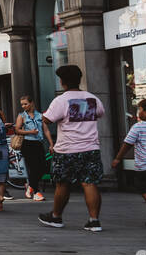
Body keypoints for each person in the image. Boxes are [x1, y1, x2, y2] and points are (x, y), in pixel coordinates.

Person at [39, 64, 105, 231]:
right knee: (89, 183)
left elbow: (47, 120)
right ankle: (94, 220)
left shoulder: (61, 100)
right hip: (90, 148)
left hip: (67, 149)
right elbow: (100, 113)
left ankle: (56, 216)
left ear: (62, 82)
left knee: (62, 184)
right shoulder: (92, 98)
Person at [112, 98, 146, 230]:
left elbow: (127, 145)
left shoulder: (138, 126)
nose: (138, 112)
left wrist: (118, 159)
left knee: (145, 191)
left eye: (140, 109)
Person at [13, 96, 51, 202]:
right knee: (33, 167)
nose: (23, 106)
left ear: (31, 103)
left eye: (25, 104)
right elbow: (17, 130)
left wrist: (51, 144)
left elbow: (46, 130)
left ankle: (30, 186)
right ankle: (36, 192)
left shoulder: (40, 115)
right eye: (22, 104)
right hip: (27, 144)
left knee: (43, 166)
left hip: (38, 144)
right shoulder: (22, 116)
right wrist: (30, 132)